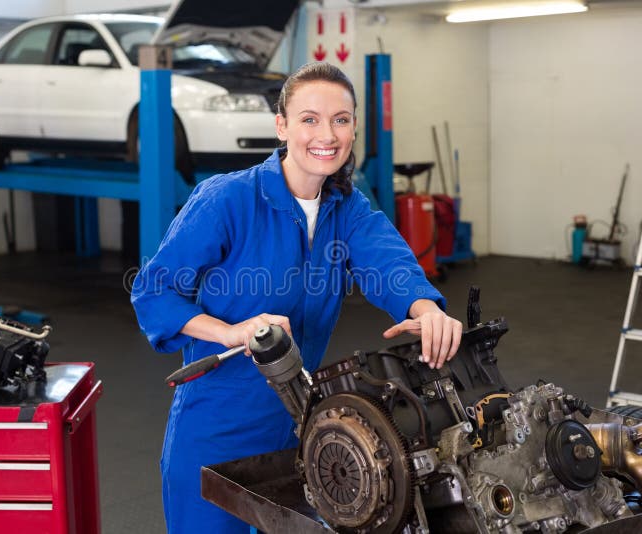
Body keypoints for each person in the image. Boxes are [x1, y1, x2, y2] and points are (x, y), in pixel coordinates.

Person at [131, 62, 463, 534]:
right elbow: (154, 290)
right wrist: (230, 331)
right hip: (216, 428)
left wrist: (425, 309)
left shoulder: (346, 206)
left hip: (300, 426)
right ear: (282, 126)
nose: (326, 134)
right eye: (309, 119)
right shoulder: (227, 199)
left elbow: (388, 263)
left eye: (340, 119)